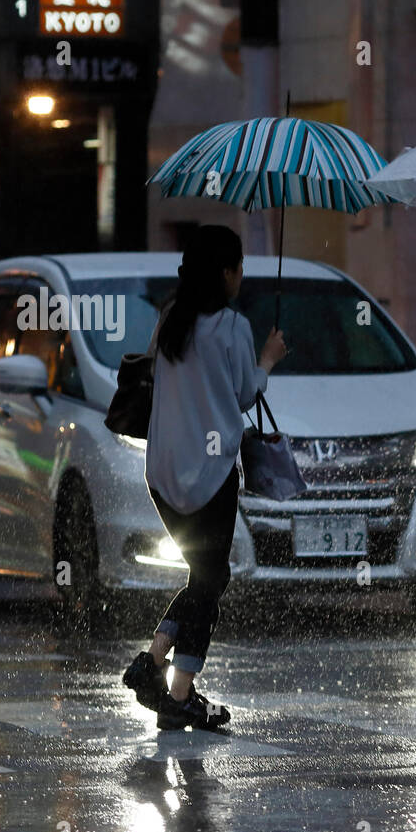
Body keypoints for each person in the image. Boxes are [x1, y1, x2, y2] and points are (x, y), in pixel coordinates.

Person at [122, 225, 288, 730]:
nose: (242, 275)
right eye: (238, 266)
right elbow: (242, 395)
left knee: (204, 576)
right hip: (212, 472)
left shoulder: (171, 317)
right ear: (225, 272)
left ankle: (161, 677)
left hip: (163, 472)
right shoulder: (233, 327)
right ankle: (173, 689)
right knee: (211, 578)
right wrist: (267, 360)